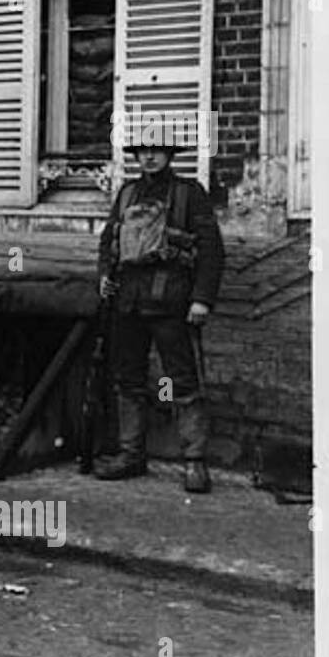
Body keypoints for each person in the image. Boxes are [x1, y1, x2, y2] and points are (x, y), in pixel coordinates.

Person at [94, 133, 224, 492]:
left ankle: (194, 461)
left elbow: (212, 250)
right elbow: (109, 240)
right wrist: (105, 275)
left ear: (169, 155)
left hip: (171, 302)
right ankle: (131, 455)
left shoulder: (188, 193)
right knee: (128, 379)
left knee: (181, 381)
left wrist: (202, 300)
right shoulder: (126, 194)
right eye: (142, 152)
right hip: (128, 302)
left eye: (156, 151)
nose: (149, 157)